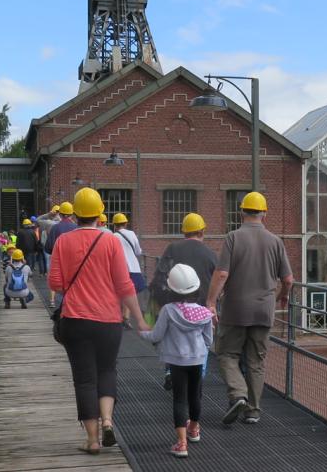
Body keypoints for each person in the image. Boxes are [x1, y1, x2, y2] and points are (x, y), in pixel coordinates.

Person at [48, 187, 149, 455]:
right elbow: (124, 285)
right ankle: (108, 420)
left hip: (75, 319)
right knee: (107, 370)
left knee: (84, 379)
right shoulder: (111, 242)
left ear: (76, 214)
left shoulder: (62, 242)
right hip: (108, 320)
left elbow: (55, 283)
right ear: (98, 214)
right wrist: (139, 319)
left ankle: (92, 440)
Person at [205, 192, 293, 425]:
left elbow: (222, 273)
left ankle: (238, 393)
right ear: (265, 213)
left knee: (226, 353)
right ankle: (253, 411)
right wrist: (281, 297)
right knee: (256, 361)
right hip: (264, 310)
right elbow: (288, 280)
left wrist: (211, 301)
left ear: (241, 211)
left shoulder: (233, 237)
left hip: (235, 309)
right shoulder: (276, 241)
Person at [139, 264, 213, 458]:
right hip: (197, 359)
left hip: (176, 361)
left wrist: (142, 333)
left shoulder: (168, 311)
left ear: (172, 288)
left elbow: (156, 335)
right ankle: (194, 429)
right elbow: (208, 340)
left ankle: (181, 444)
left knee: (179, 399)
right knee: (195, 395)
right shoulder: (204, 313)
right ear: (196, 287)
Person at [152, 212, 217, 390]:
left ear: (184, 232)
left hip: (174, 307)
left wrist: (162, 303)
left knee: (173, 341)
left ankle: (170, 371)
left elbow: (159, 277)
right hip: (200, 310)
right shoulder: (210, 254)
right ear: (202, 231)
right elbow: (218, 281)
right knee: (200, 345)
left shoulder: (172, 249)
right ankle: (196, 381)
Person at [112, 213, 146, 327]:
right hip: (133, 268)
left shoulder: (113, 236)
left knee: (120, 292)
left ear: (114, 225)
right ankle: (126, 316)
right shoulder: (131, 234)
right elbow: (138, 251)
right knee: (131, 292)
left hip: (120, 269)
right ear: (126, 223)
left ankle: (120, 316)